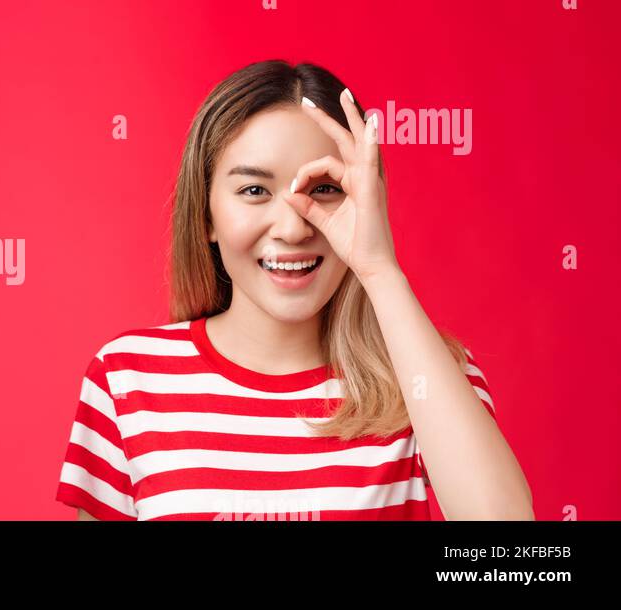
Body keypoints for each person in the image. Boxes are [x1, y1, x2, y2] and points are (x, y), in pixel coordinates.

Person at [55, 60, 533, 521]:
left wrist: (380, 270)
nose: (292, 227)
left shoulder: (423, 374)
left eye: (324, 188)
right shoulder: (127, 378)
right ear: (205, 216)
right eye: (254, 191)